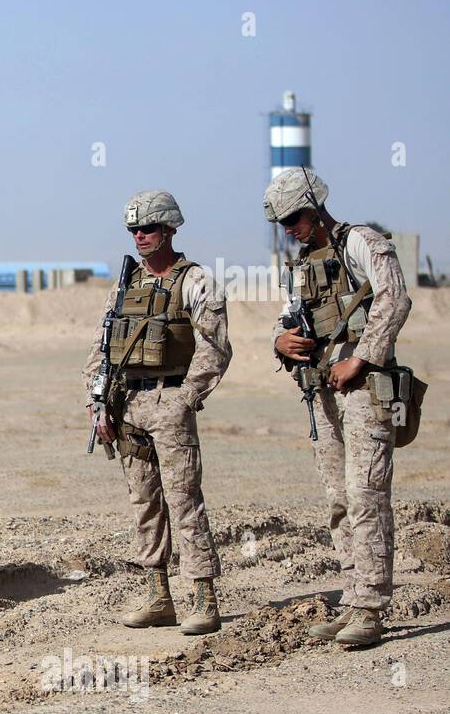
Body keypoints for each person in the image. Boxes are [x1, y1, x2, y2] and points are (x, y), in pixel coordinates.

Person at [265, 168, 411, 647]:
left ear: (315, 205)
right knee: (338, 501)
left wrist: (362, 359)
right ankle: (353, 597)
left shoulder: (362, 243)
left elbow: (393, 300)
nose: (290, 227)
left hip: (366, 391)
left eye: (296, 217)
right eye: (283, 221)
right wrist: (280, 342)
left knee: (365, 494)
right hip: (323, 393)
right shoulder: (303, 263)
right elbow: (289, 319)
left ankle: (371, 607)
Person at [84, 191, 232, 635]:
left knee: (185, 500)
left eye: (147, 228)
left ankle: (204, 598)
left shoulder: (196, 281)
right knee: (145, 504)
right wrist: (97, 404)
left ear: (170, 229)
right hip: (126, 402)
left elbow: (216, 347)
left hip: (169, 401)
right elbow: (101, 349)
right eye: (133, 230)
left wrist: (187, 397)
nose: (139, 237)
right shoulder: (125, 284)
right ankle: (158, 596)